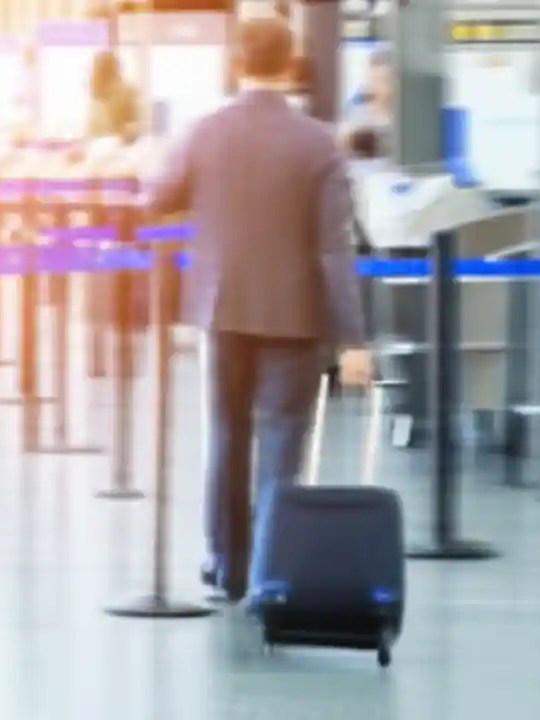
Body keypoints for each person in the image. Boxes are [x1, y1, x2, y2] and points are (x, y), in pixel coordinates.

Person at [143, 18, 374, 603]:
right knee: (282, 442)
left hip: (221, 307)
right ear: (292, 64)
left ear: (235, 63)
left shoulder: (204, 133)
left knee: (226, 434)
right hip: (296, 315)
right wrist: (353, 340)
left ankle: (226, 564)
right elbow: (333, 247)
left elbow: (153, 201)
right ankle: (274, 571)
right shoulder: (320, 142)